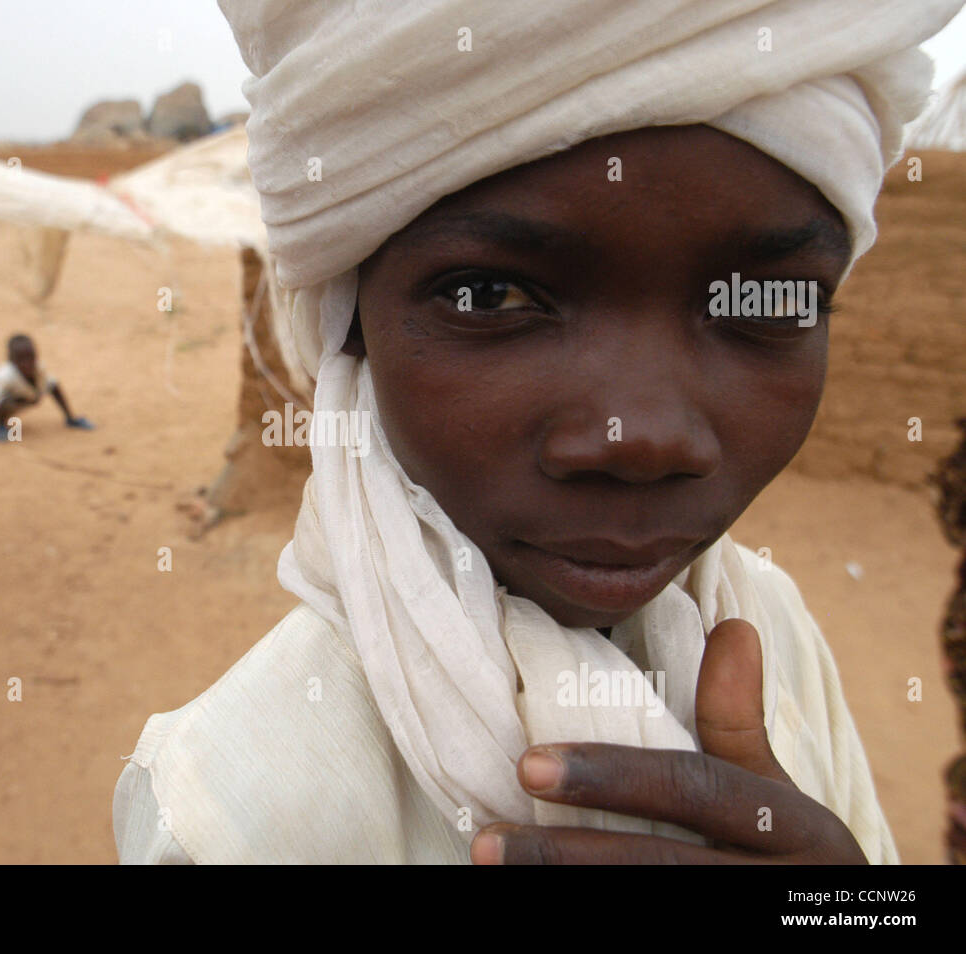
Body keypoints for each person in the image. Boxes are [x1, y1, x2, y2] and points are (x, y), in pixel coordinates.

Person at [114, 0, 963, 864]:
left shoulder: (773, 634)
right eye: (491, 296)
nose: (645, 438)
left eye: (768, 303)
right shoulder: (233, 806)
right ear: (349, 323)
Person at [0, 333, 93, 441]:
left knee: (53, 385)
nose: (28, 363)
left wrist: (34, 396)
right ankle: (0, 428)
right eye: (21, 360)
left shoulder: (38, 367)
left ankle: (71, 419)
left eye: (31, 357)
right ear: (11, 360)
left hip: (19, 396)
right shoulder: (5, 376)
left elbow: (51, 385)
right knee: (8, 400)